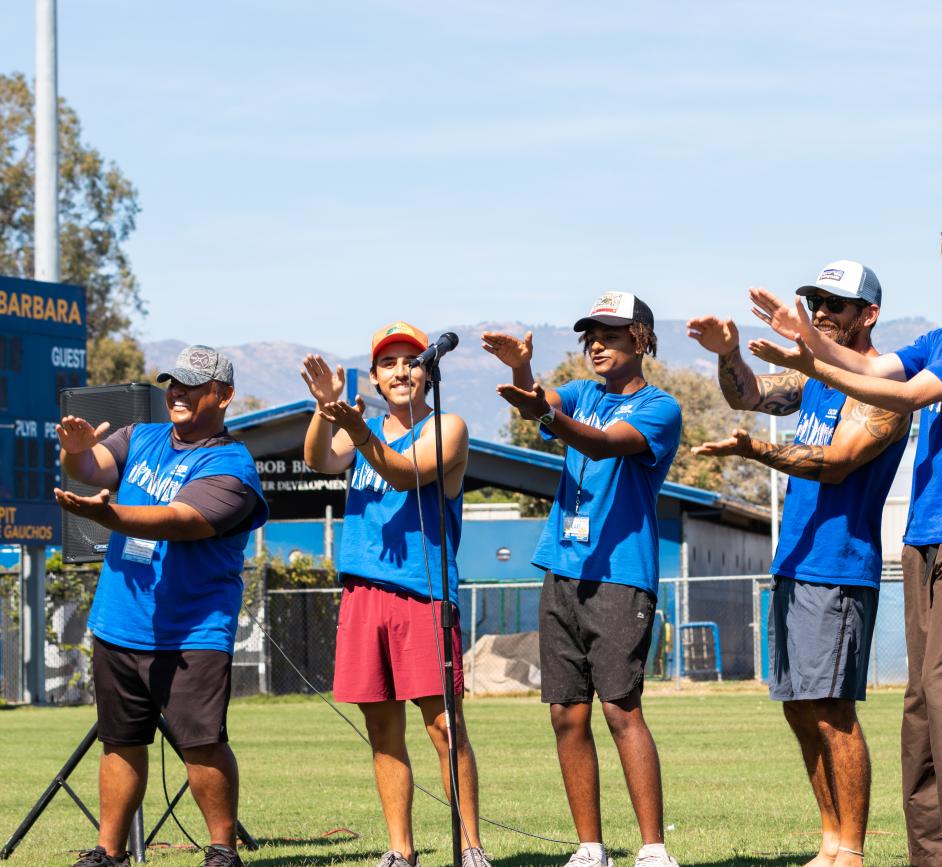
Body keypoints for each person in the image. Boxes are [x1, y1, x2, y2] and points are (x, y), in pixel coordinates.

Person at [750, 219, 942, 867]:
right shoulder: (941, 338)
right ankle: (934, 857)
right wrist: (806, 346)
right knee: (919, 706)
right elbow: (866, 363)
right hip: (925, 536)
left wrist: (808, 357)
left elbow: (904, 393)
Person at [686, 260, 910, 867]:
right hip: (795, 563)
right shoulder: (815, 378)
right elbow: (749, 394)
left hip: (838, 568)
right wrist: (729, 353)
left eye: (834, 305)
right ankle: (830, 841)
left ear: (868, 315)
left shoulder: (884, 392)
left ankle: (854, 851)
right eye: (814, 303)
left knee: (833, 711)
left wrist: (755, 448)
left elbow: (836, 462)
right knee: (798, 708)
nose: (820, 314)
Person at [482, 292, 683, 867]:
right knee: (566, 712)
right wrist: (521, 366)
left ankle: (652, 849)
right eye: (590, 335)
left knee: (621, 708)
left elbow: (602, 442)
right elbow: (536, 404)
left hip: (620, 576)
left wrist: (546, 414)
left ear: (641, 339)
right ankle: (590, 847)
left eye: (611, 334)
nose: (596, 344)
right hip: (563, 568)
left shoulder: (659, 407)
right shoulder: (580, 393)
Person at [54, 345, 269, 867]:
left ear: (223, 395)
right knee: (120, 741)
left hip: (190, 633)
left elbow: (180, 520)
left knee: (200, 744)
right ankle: (109, 852)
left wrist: (112, 518)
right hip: (119, 623)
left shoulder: (231, 466)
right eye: (173, 382)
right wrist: (75, 451)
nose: (178, 392)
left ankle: (222, 849)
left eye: (192, 384)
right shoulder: (141, 437)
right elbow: (90, 467)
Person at [300, 321, 489, 867]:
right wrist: (324, 406)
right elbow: (320, 460)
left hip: (422, 596)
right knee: (382, 729)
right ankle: (400, 850)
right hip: (364, 594)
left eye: (412, 359)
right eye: (388, 363)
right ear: (376, 379)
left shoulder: (447, 426)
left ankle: (470, 847)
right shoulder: (361, 429)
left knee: (443, 726)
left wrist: (359, 432)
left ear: (429, 371)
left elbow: (406, 474)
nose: (402, 370)